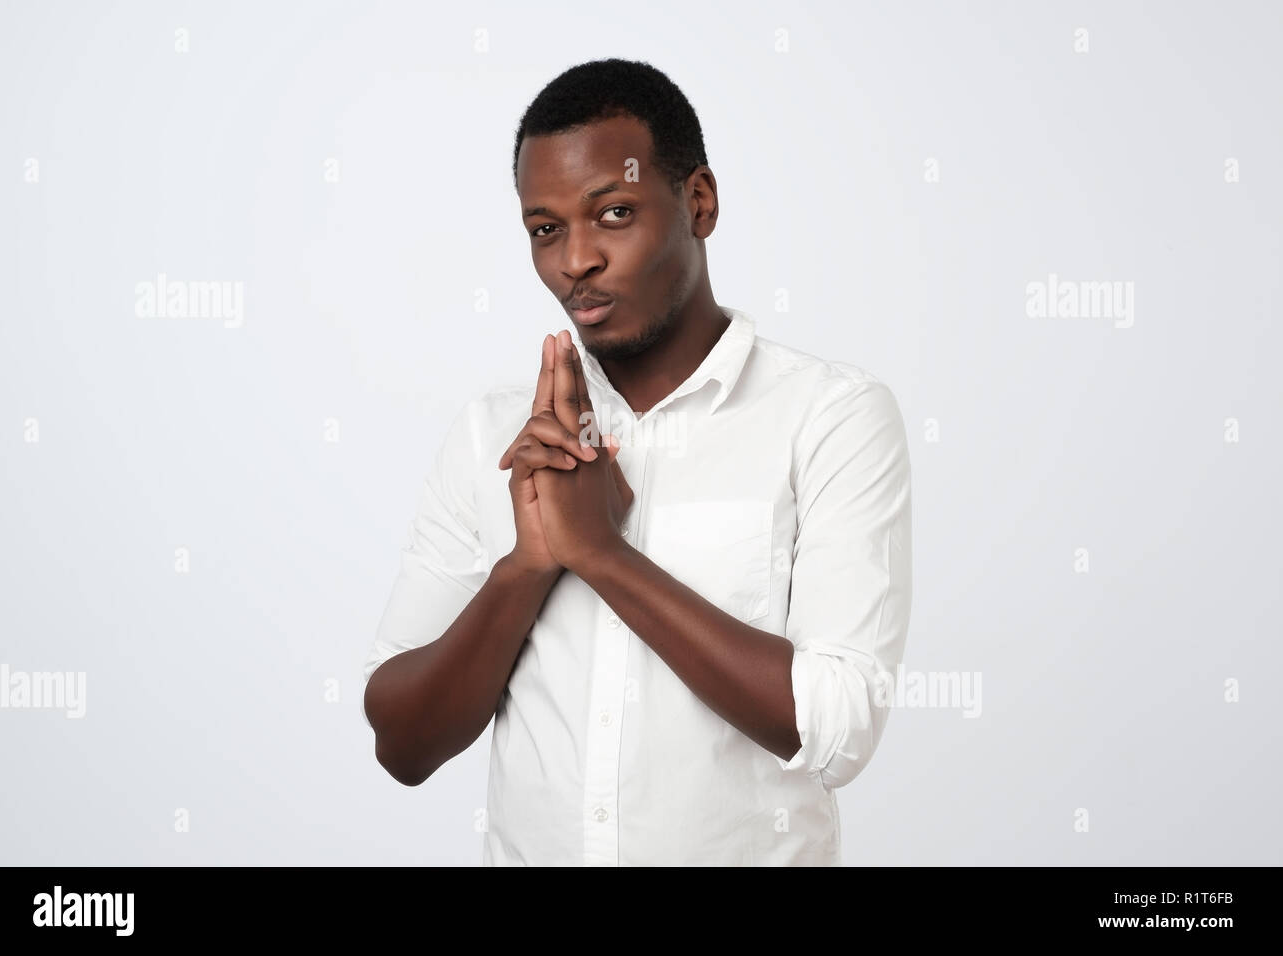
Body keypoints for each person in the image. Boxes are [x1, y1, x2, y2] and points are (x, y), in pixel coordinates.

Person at [362, 57, 912, 866]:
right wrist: (528, 566)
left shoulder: (829, 417)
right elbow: (402, 745)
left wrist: (603, 556)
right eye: (545, 228)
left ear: (699, 202)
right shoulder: (495, 434)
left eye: (613, 212)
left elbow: (837, 732)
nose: (573, 259)